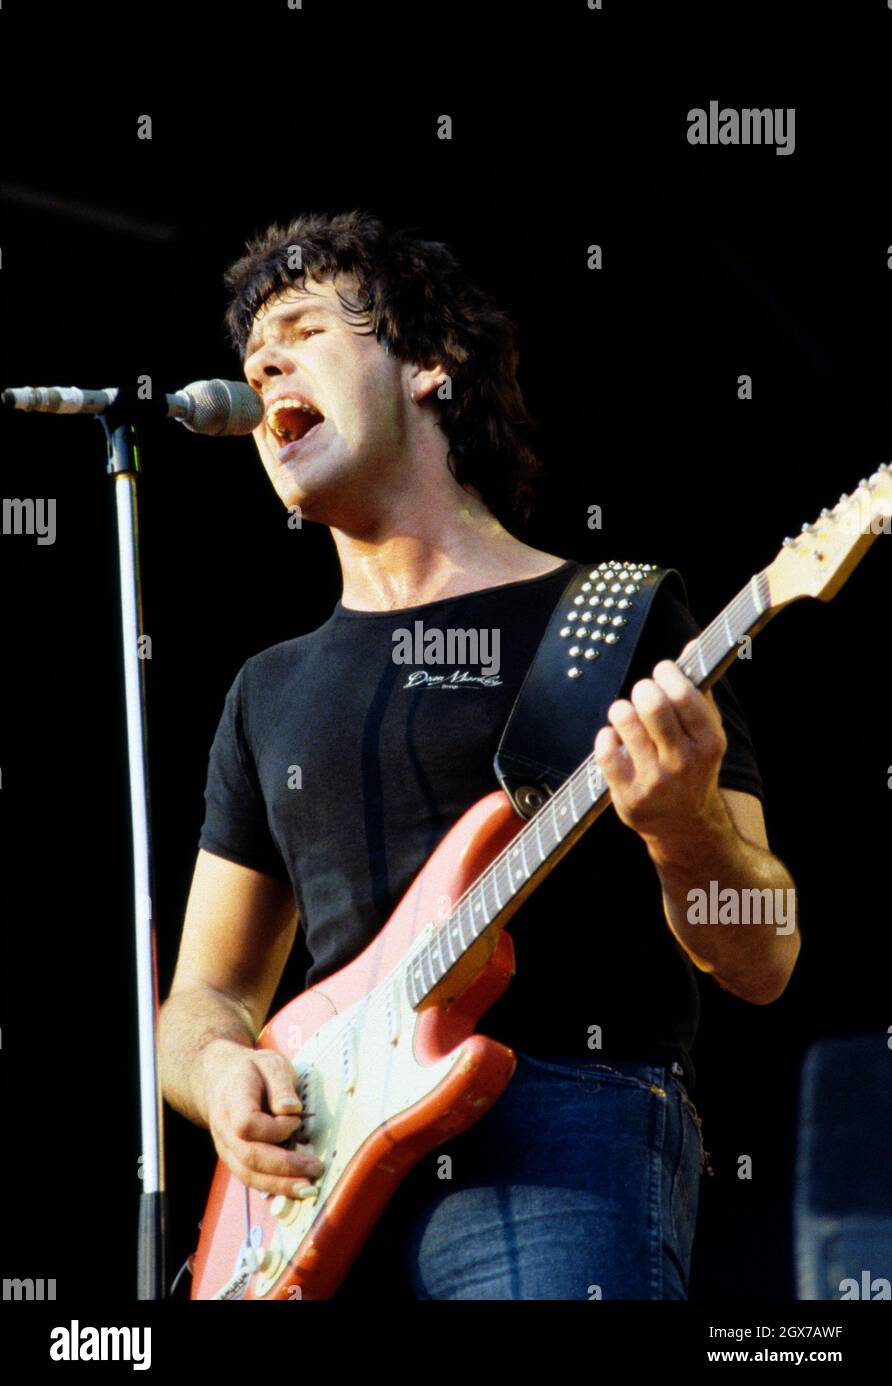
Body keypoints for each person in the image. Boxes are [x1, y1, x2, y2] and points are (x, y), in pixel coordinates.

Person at [158, 210, 800, 1300]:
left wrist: (681, 825)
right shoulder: (265, 689)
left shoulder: (610, 618)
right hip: (315, 1177)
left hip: (558, 1130)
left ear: (426, 365)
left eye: (303, 329)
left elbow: (761, 955)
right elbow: (202, 996)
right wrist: (223, 1071)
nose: (263, 362)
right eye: (251, 351)